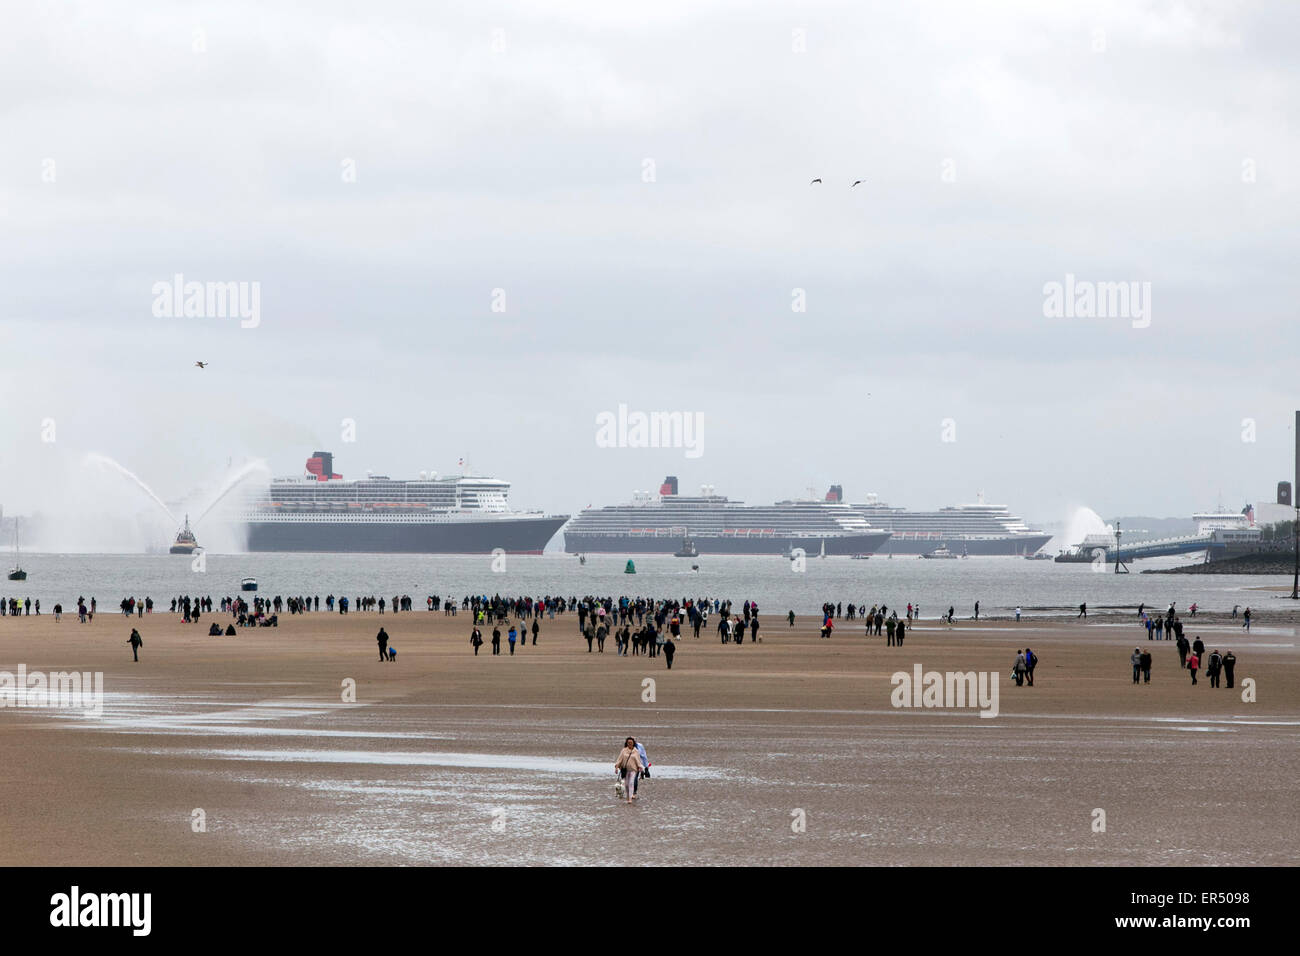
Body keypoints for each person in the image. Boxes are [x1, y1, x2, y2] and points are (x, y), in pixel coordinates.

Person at [615, 737, 642, 804]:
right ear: (626, 743)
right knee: (626, 785)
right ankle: (627, 797)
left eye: (631, 742)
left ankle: (630, 799)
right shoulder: (624, 750)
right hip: (625, 770)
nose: (630, 744)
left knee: (631, 783)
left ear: (633, 743)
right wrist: (616, 767)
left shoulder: (636, 751)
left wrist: (640, 768)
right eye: (628, 742)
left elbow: (638, 761)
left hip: (633, 770)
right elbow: (619, 759)